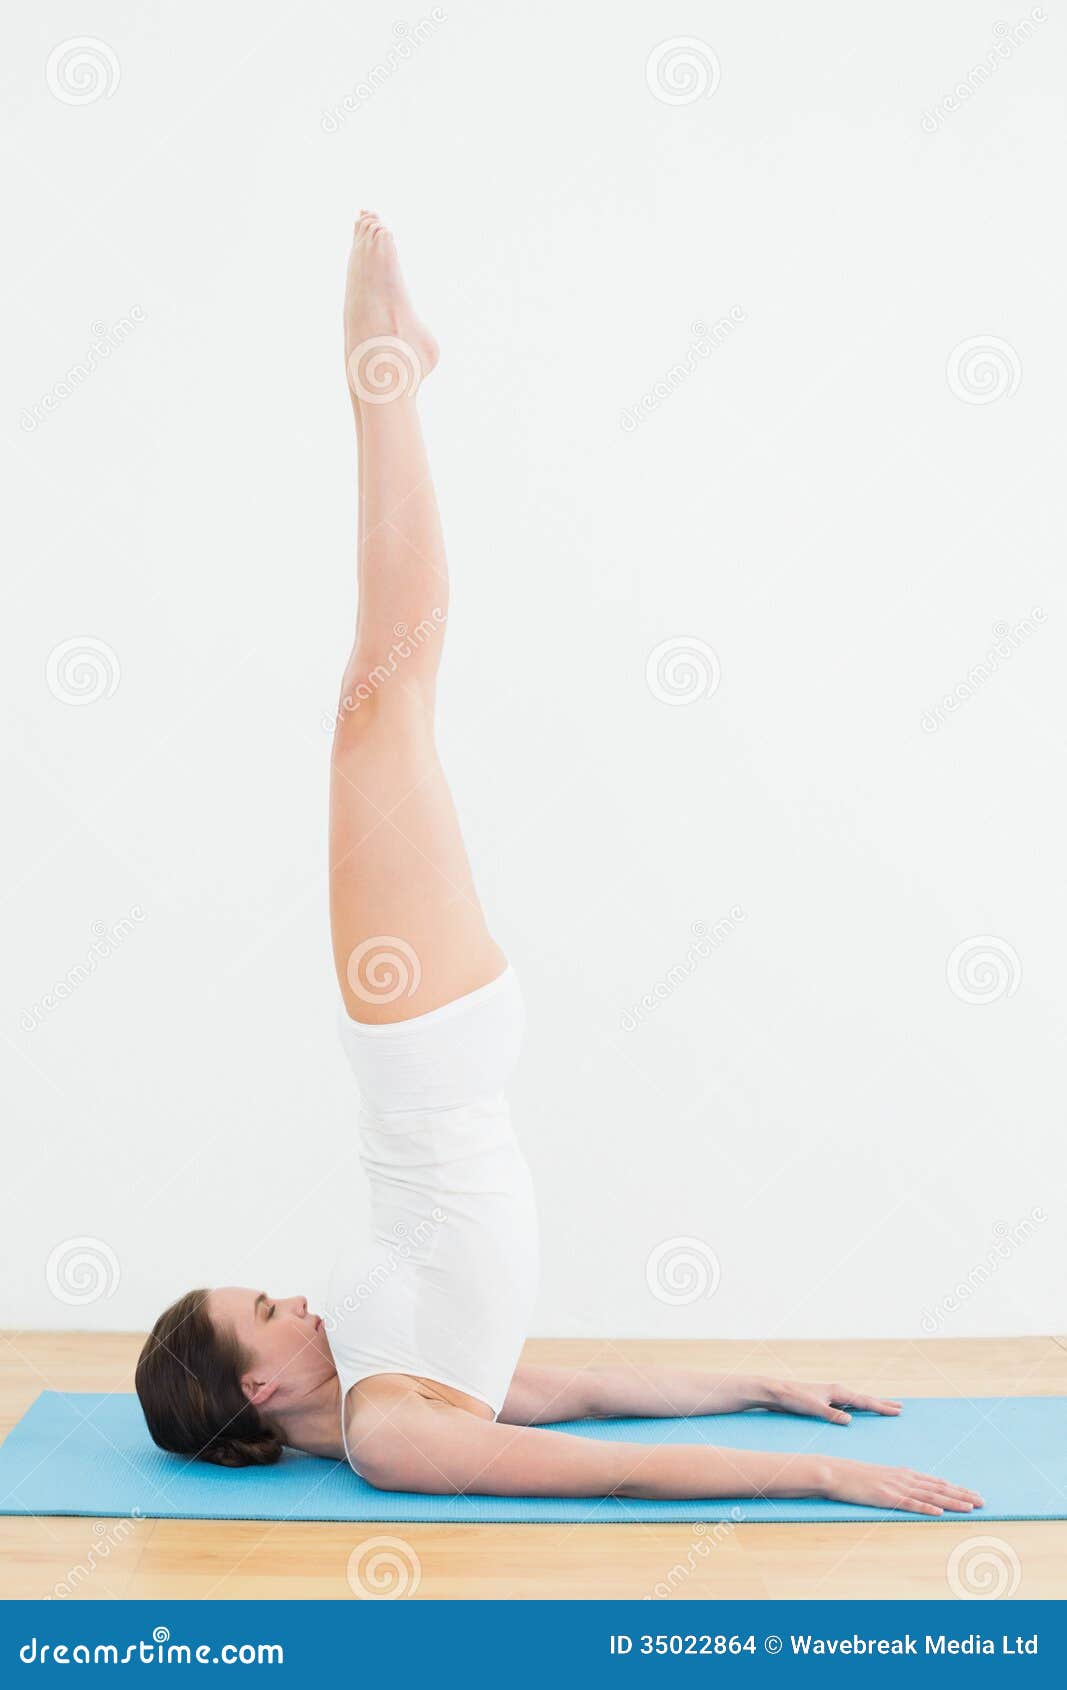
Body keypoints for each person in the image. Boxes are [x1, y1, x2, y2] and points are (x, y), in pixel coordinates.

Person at [135, 215, 982, 1518]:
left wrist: (758, 1379)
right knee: (382, 693)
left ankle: (386, 373)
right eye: (264, 1310)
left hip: (430, 1053)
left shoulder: (387, 1378)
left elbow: (571, 1386)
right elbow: (605, 1461)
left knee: (384, 694)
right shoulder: (394, 1436)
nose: (290, 1293)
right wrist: (814, 1470)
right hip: (427, 1058)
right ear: (256, 1388)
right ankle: (384, 370)